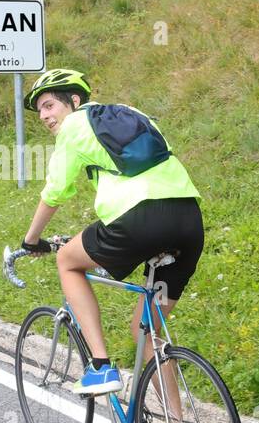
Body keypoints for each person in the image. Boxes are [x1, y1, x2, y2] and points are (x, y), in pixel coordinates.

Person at [18, 68, 204, 400]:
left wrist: (31, 239)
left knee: (67, 261)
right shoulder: (130, 113)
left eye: (49, 105)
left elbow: (56, 192)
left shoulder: (74, 128)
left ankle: (101, 367)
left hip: (139, 220)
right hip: (187, 219)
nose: (44, 116)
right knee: (145, 332)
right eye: (41, 111)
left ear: (73, 101)